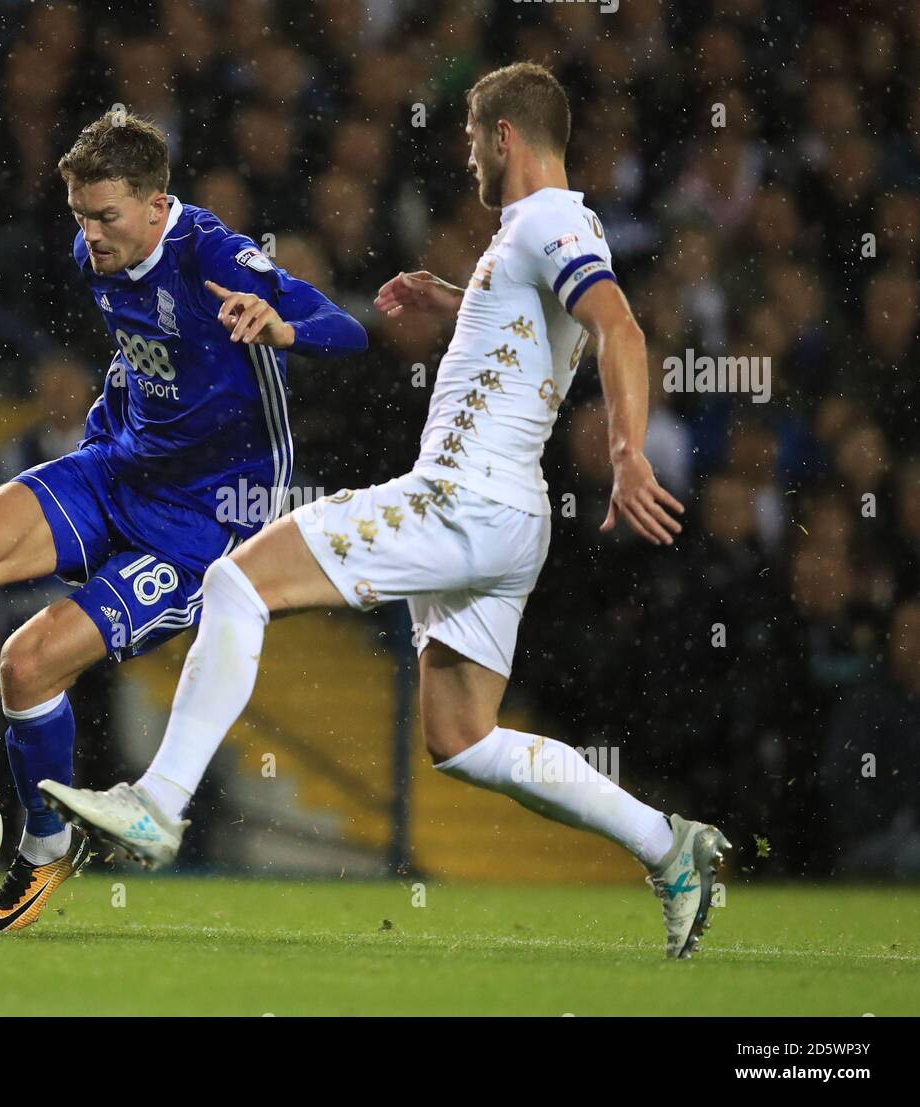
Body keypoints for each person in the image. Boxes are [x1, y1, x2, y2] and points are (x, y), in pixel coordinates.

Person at [44, 64, 730, 960]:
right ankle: (667, 844)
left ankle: (160, 802)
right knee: (462, 737)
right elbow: (543, 330)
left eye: (473, 139)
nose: (467, 155)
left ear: (504, 139)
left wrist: (629, 451)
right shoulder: (542, 231)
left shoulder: (552, 220)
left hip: (462, 495)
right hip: (511, 518)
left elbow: (621, 327)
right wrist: (457, 301)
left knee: (234, 580)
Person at [0, 111, 367, 933]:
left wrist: (282, 325)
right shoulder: (93, 253)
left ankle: (43, 847)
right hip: (113, 470)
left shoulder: (215, 254)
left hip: (197, 527)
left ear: (156, 203)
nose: (92, 234)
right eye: (80, 214)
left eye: (107, 216)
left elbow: (349, 332)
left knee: (26, 665)